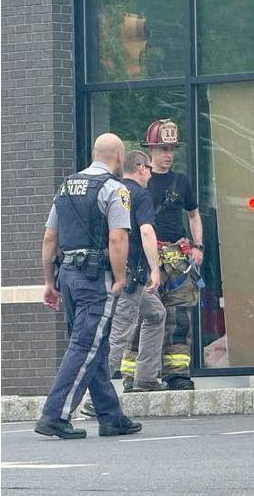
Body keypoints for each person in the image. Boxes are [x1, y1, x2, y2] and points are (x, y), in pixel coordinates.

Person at [35, 133, 142, 439]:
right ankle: (55, 415)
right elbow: (118, 237)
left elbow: (49, 238)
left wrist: (48, 282)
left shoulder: (67, 186)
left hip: (66, 275)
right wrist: (120, 277)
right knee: (86, 345)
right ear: (119, 157)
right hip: (96, 278)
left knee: (95, 343)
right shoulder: (114, 189)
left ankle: (111, 416)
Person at [143, 119, 205, 391]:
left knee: (179, 317)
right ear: (151, 151)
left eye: (171, 149)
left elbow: (193, 214)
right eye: (162, 149)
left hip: (178, 259)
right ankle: (138, 375)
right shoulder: (141, 182)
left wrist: (198, 246)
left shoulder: (181, 182)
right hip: (148, 257)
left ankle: (178, 373)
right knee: (145, 315)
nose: (168, 155)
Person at [108, 150, 167, 392]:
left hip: (116, 273)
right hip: (132, 276)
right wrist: (155, 269)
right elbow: (146, 232)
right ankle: (94, 397)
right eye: (150, 169)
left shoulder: (113, 191)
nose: (151, 174)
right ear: (141, 168)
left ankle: (145, 378)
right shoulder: (140, 195)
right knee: (119, 335)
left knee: (156, 314)